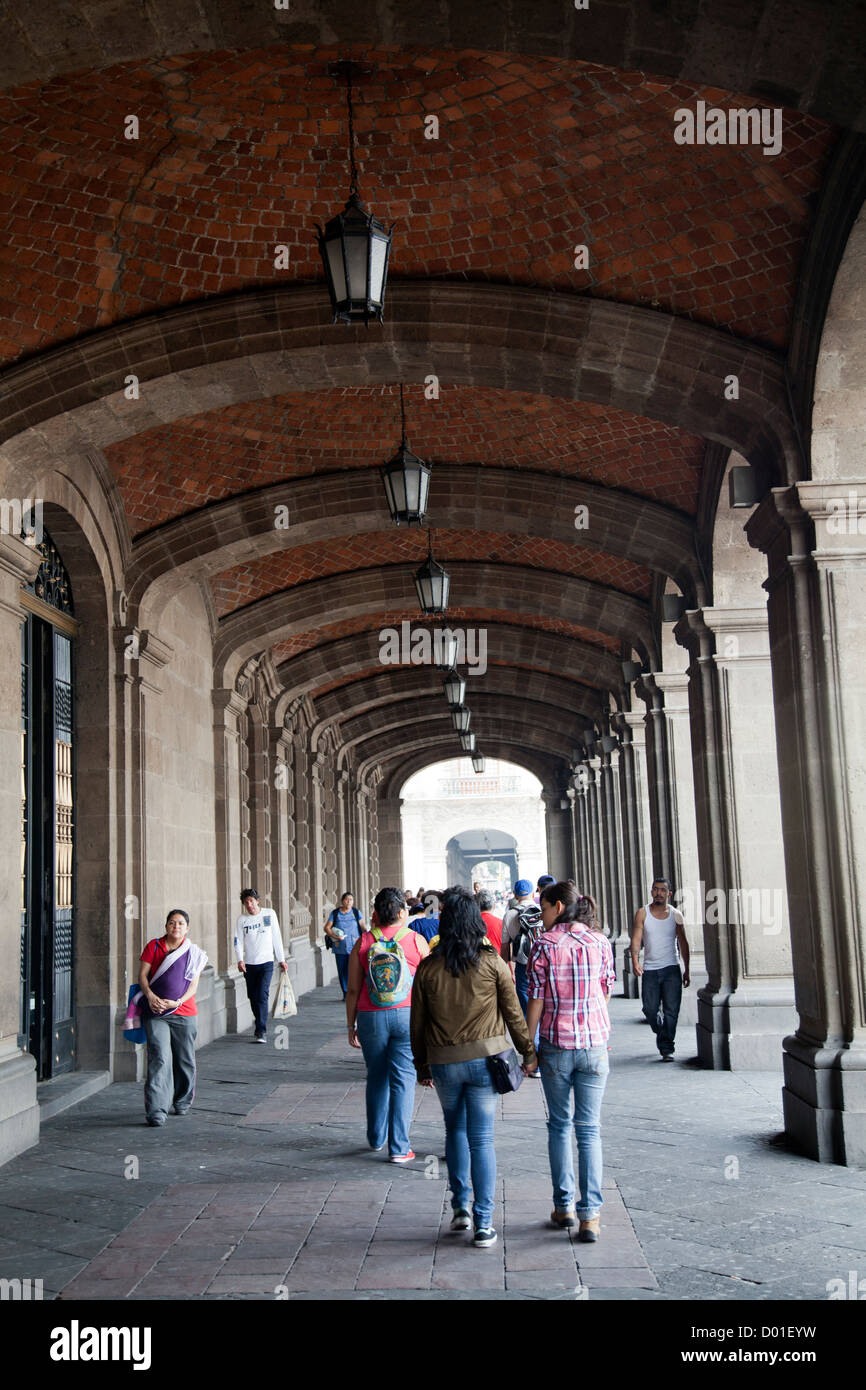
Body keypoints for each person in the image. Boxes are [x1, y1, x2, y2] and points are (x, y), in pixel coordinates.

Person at [411, 887, 536, 1248]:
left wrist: (422, 1065)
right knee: (482, 1140)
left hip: (445, 1063)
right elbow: (514, 1013)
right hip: (486, 1061)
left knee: (455, 1132)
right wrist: (528, 1054)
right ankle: (484, 1223)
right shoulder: (492, 962)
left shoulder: (429, 967)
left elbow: (416, 1024)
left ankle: (460, 1208)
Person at [526, 883, 615, 1241]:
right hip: (594, 1046)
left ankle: (563, 1207)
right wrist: (591, 1021)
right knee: (589, 1129)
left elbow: (536, 1000)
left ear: (558, 906)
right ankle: (590, 1215)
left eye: (544, 907)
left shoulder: (544, 945)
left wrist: (527, 1048)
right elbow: (604, 990)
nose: (541, 914)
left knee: (560, 1125)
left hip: (556, 1046)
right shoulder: (600, 941)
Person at [346, 887, 429, 1162]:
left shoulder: (363, 943)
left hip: (371, 1016)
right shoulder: (417, 941)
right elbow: (430, 988)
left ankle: (375, 1137)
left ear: (375, 914)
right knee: (403, 1079)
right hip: (407, 1015)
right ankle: (400, 1147)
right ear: (403, 913)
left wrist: (351, 1025)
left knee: (376, 1075)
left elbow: (353, 991)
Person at [138, 909, 208, 1127]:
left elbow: (193, 985)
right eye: (171, 923)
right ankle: (157, 1110)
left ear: (187, 928)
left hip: (184, 1012)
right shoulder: (154, 946)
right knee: (159, 1057)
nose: (175, 927)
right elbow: (142, 975)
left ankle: (182, 1099)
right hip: (156, 1012)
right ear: (166, 926)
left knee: (184, 1058)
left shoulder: (193, 953)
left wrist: (177, 1002)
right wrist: (150, 996)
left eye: (180, 923)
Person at [630, 878, 690, 1061]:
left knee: (672, 1010)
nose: (658, 893)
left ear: (669, 894)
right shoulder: (643, 913)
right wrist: (635, 961)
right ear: (651, 892)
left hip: (671, 968)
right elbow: (636, 939)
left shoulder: (676, 915)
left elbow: (683, 943)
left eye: (663, 890)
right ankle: (662, 1031)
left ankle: (666, 1048)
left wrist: (687, 969)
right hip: (650, 969)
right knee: (649, 1009)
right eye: (655, 889)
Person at [235, 888, 288, 1042]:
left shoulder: (269, 914)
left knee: (262, 994)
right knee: (252, 996)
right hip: (249, 964)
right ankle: (259, 1021)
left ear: (257, 900)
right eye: (246, 902)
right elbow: (237, 940)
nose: (249, 904)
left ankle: (261, 1030)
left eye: (251, 901)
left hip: (266, 962)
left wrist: (281, 959)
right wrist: (239, 959)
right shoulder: (242, 920)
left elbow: (276, 937)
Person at [500, 879, 543, 1016]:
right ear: (532, 893)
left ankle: (531, 1035)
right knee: (543, 996)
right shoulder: (541, 911)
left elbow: (505, 946)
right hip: (542, 961)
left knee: (525, 1001)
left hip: (522, 963)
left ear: (515, 895)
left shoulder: (509, 914)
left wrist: (507, 969)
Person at [324, 891, 365, 999]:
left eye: (351, 899)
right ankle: (346, 992)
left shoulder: (356, 912)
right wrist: (334, 936)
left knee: (354, 969)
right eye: (347, 899)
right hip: (340, 946)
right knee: (342, 970)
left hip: (355, 946)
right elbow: (326, 927)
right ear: (342, 901)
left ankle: (355, 991)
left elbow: (363, 927)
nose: (349, 902)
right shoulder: (335, 913)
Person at [476, 889, 503, 954]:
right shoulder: (501, 923)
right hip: (497, 960)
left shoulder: (471, 923)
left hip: (476, 961)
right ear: (493, 906)